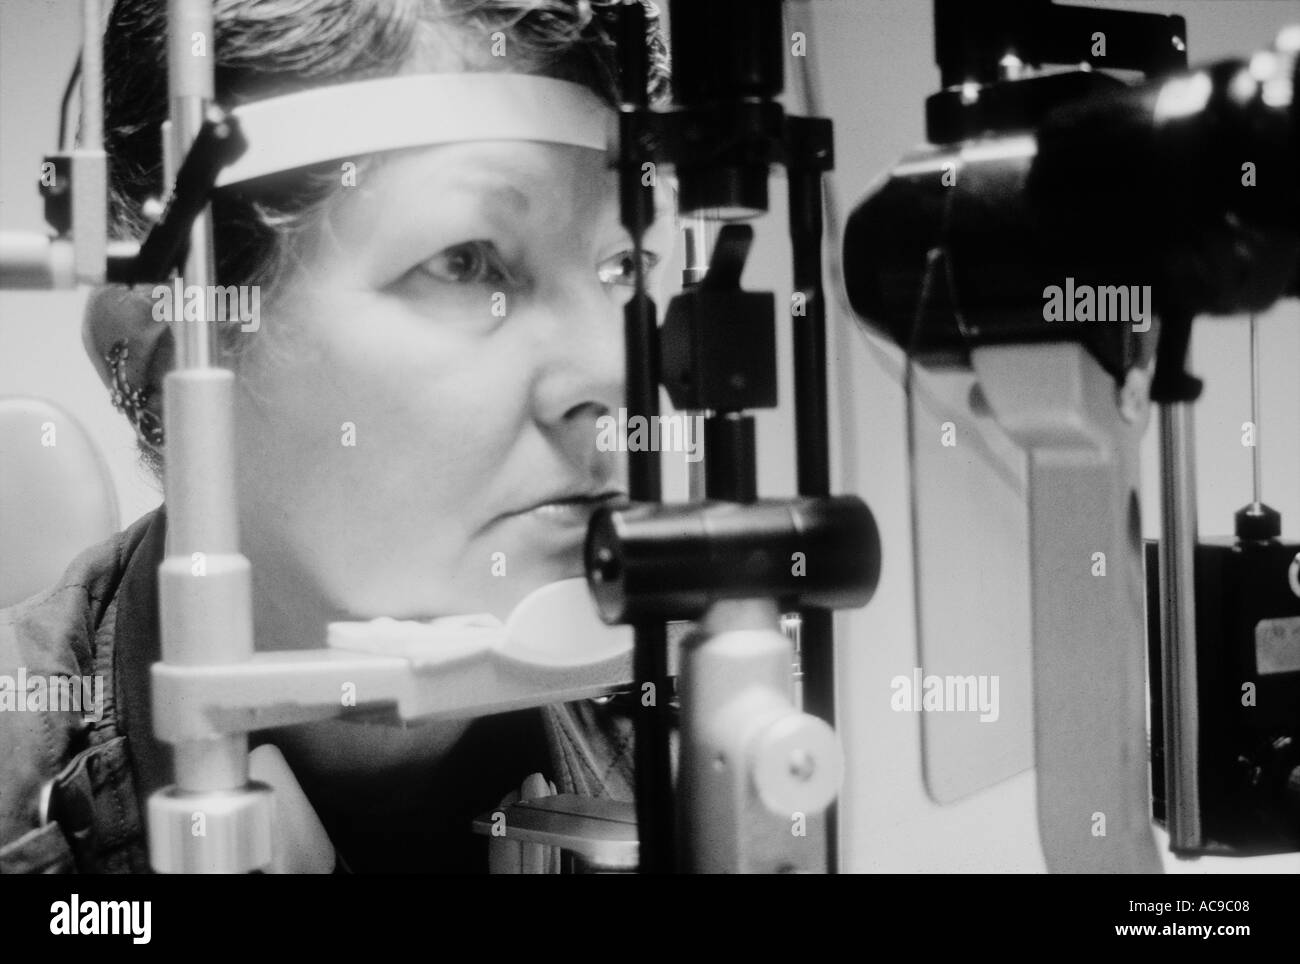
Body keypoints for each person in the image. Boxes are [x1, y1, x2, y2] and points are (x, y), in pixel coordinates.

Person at [0, 0, 674, 873]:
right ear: (177, 360)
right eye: (468, 261)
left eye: (623, 268)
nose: (616, 375)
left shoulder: (695, 747)